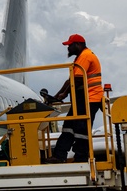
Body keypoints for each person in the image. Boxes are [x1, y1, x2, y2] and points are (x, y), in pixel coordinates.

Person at [43, 33, 103, 162]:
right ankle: (60, 155)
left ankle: (79, 157)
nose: (68, 48)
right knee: (69, 127)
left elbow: (77, 80)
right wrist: (57, 95)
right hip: (84, 99)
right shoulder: (82, 57)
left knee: (81, 129)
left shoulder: (85, 57)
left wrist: (64, 94)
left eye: (70, 45)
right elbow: (71, 80)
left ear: (78, 44)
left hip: (89, 98)